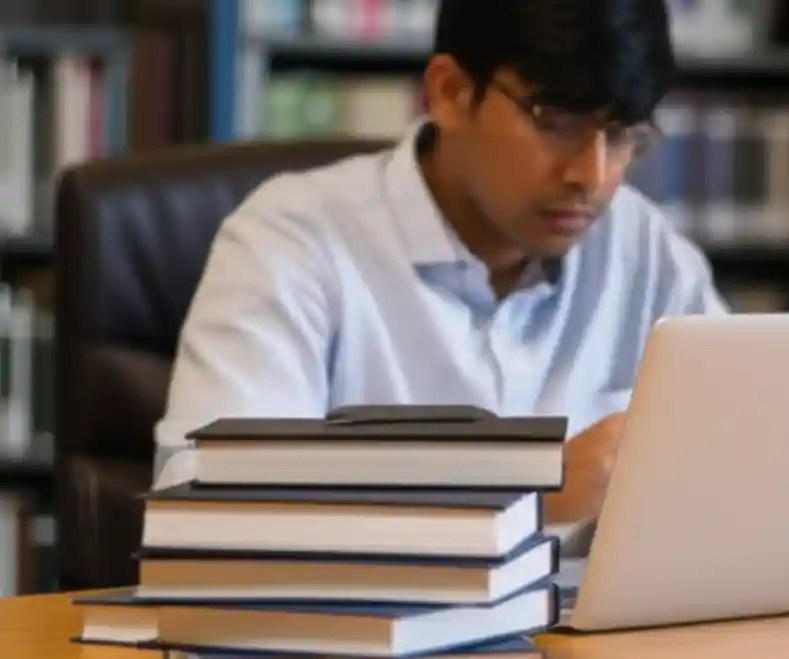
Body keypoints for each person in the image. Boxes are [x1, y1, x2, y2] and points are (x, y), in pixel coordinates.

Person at [152, 0, 728, 522]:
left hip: (588, 636)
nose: (593, 176)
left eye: (623, 136)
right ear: (449, 92)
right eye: (555, 125)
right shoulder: (292, 239)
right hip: (352, 636)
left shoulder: (644, 250)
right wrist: (528, 494)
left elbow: (757, 454)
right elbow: (203, 505)